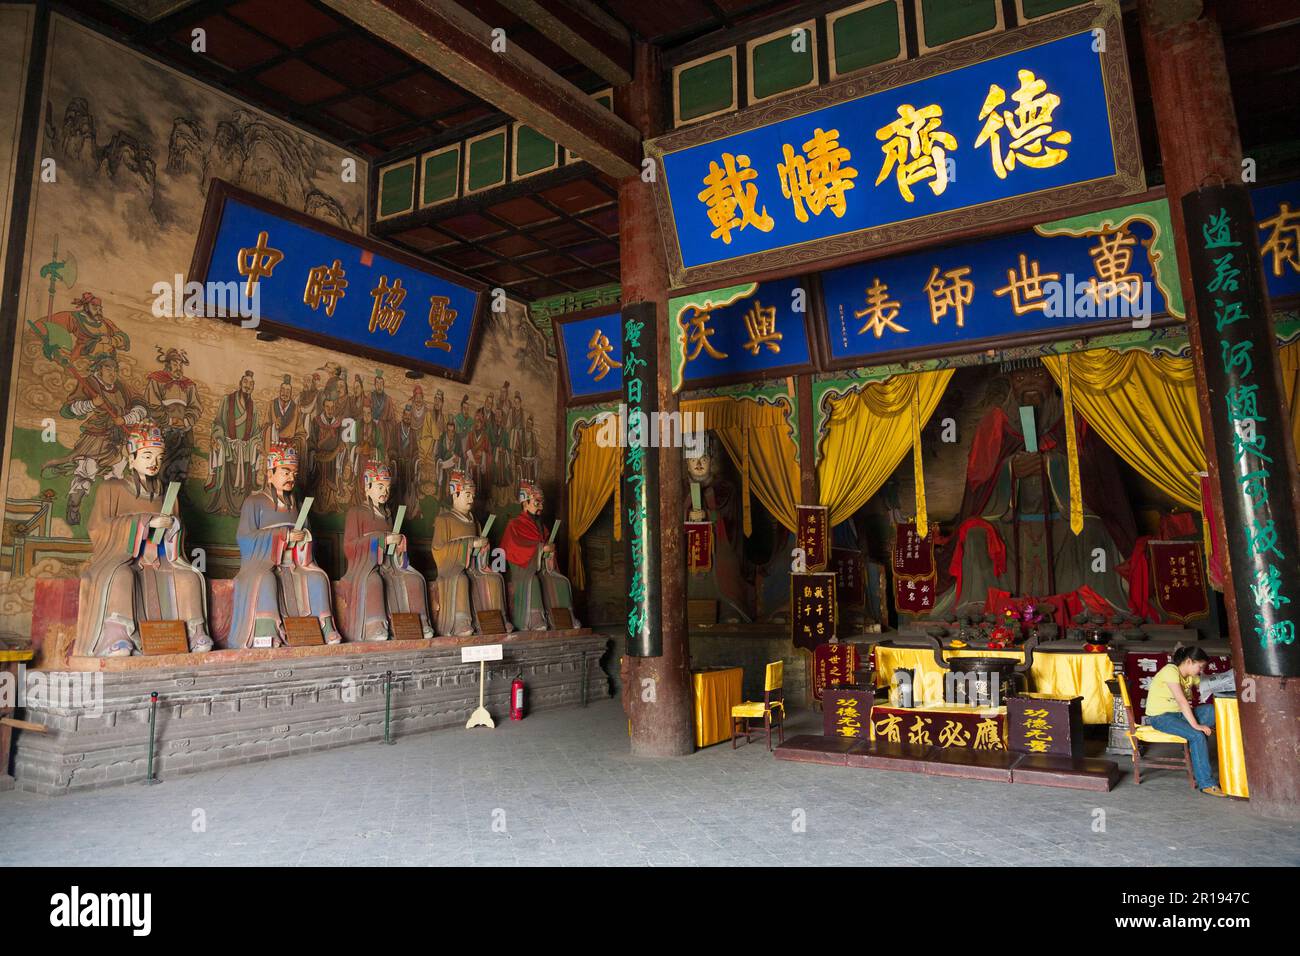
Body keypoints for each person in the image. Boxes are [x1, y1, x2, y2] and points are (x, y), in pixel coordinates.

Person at [1145, 645, 1226, 797]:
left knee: (1211, 711)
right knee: (1197, 735)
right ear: (1189, 661)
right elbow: (1182, 702)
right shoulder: (1171, 671)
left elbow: (1207, 684)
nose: (1201, 671)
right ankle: (1206, 783)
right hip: (1161, 717)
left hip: (1180, 715)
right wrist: (1196, 726)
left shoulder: (1190, 676)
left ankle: (1193, 746)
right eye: (1200, 666)